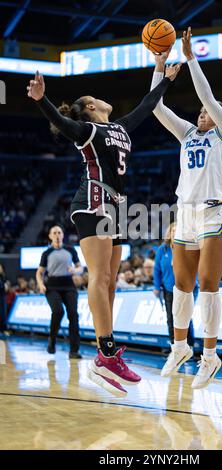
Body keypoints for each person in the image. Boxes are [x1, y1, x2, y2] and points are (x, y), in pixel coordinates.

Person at [28, 63, 181, 397]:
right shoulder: (87, 130)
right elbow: (62, 123)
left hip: (117, 207)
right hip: (92, 201)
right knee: (99, 277)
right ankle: (107, 350)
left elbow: (147, 105)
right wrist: (42, 100)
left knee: (110, 283)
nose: (102, 98)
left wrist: (164, 77)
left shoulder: (121, 128)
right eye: (96, 98)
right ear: (92, 108)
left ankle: (103, 360)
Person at [150, 27, 222, 388]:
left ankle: (211, 354)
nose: (202, 113)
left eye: (208, 111)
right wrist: (159, 67)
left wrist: (190, 59)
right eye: (201, 112)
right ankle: (180, 346)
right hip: (185, 212)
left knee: (208, 282)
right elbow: (154, 106)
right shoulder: (187, 133)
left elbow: (207, 94)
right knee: (182, 286)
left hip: (216, 210)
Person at [36, 225, 83, 359]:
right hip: (52, 286)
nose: (57, 235)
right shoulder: (46, 253)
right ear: (50, 236)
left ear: (63, 235)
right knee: (58, 312)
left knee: (73, 315)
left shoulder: (70, 249)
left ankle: (74, 350)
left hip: (68, 285)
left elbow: (80, 267)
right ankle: (52, 339)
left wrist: (75, 271)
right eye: (54, 233)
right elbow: (39, 273)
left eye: (59, 232)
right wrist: (40, 285)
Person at [153, 223, 196, 352]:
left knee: (186, 316)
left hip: (186, 288)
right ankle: (175, 348)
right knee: (171, 318)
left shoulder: (188, 247)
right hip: (168, 289)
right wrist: (156, 286)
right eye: (173, 231)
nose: (175, 234)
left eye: (178, 231)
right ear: (169, 233)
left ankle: (190, 347)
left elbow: (195, 267)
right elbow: (156, 269)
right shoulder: (163, 249)